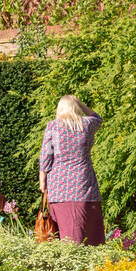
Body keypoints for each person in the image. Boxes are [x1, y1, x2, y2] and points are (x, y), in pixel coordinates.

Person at [39, 95, 103, 245]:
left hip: (59, 188)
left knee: (63, 233)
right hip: (84, 186)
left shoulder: (53, 126)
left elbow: (46, 155)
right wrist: (81, 104)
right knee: (87, 233)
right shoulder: (87, 124)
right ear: (77, 108)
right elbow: (98, 118)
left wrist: (42, 180)